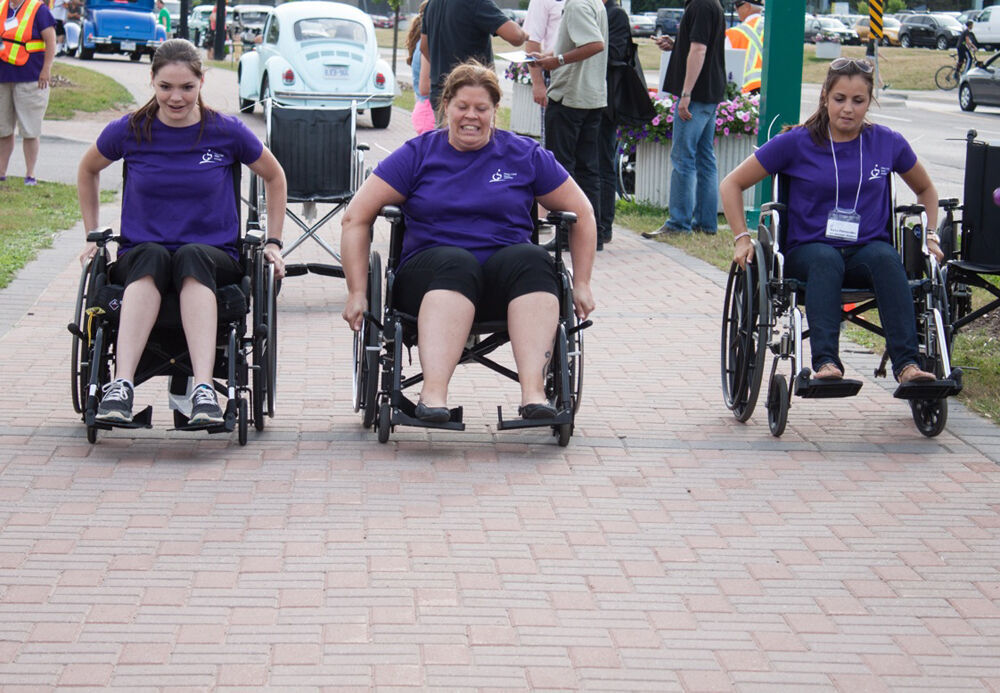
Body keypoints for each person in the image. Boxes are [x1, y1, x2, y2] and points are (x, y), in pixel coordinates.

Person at [340, 60, 596, 423]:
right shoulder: (419, 154)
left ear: (495, 111)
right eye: (462, 107)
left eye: (482, 108)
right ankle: (433, 396)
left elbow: (582, 212)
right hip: (429, 275)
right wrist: (357, 291)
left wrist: (582, 283)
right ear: (446, 106)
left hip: (504, 280)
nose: (471, 116)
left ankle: (534, 395)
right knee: (456, 262)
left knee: (533, 260)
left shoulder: (523, 155)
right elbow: (355, 216)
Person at [77, 39, 288, 425]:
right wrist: (93, 234)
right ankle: (122, 385)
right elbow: (87, 168)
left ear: (202, 82)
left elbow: (275, 176)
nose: (176, 97)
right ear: (152, 82)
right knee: (153, 255)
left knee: (190, 254)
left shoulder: (226, 131)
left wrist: (273, 241)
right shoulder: (130, 130)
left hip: (213, 255)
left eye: (186, 88)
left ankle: (204, 390)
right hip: (142, 254)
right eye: (166, 87)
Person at [719, 57, 941, 385]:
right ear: (825, 96)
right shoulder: (796, 142)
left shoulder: (886, 142)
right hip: (809, 251)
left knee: (886, 258)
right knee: (826, 260)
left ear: (870, 102)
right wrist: (741, 237)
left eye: (858, 101)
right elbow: (731, 184)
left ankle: (908, 365)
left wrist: (932, 236)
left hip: (866, 249)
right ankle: (826, 364)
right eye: (840, 99)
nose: (848, 109)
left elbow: (925, 189)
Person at [643, 0, 726, 237]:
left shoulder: (699, 5)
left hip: (697, 95)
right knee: (704, 158)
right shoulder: (711, 4)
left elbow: (699, 49)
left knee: (683, 158)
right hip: (709, 92)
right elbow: (699, 45)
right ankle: (706, 223)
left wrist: (686, 93)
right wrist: (677, 44)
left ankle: (679, 224)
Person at [530, 0, 607, 252]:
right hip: (591, 96)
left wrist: (559, 60)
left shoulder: (576, 5)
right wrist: (551, 57)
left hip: (570, 96)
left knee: (561, 170)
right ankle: (591, 235)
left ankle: (566, 237)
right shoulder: (594, 2)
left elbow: (595, 44)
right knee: (588, 169)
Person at [420, 0, 527, 115]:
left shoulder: (432, 4)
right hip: (473, 97)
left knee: (446, 132)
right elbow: (515, 36)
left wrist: (441, 64)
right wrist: (525, 34)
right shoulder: (475, 2)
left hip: (441, 94)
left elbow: (424, 47)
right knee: (475, 132)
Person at [0, 0, 56, 186]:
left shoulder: (38, 9)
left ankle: (30, 174)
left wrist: (46, 69)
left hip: (31, 77)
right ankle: (1, 172)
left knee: (30, 130)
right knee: (3, 129)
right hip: (2, 77)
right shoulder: (1, 6)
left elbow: (50, 40)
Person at [595, 0, 631, 247]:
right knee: (594, 161)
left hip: (606, 102)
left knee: (603, 162)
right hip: (593, 97)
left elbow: (616, 54)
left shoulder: (615, 15)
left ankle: (604, 225)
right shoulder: (596, 10)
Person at [522, 0, 563, 144]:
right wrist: (538, 83)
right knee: (555, 145)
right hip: (556, 78)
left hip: (583, 78)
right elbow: (532, 42)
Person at [405, 0, 434, 135]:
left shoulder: (420, 45)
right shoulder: (425, 47)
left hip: (423, 111)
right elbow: (425, 88)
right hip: (429, 113)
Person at [724, 0, 763, 94]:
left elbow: (726, 65)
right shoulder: (773, 29)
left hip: (746, 90)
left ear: (747, 6)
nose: (735, 9)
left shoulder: (733, 34)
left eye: (737, 5)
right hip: (771, 86)